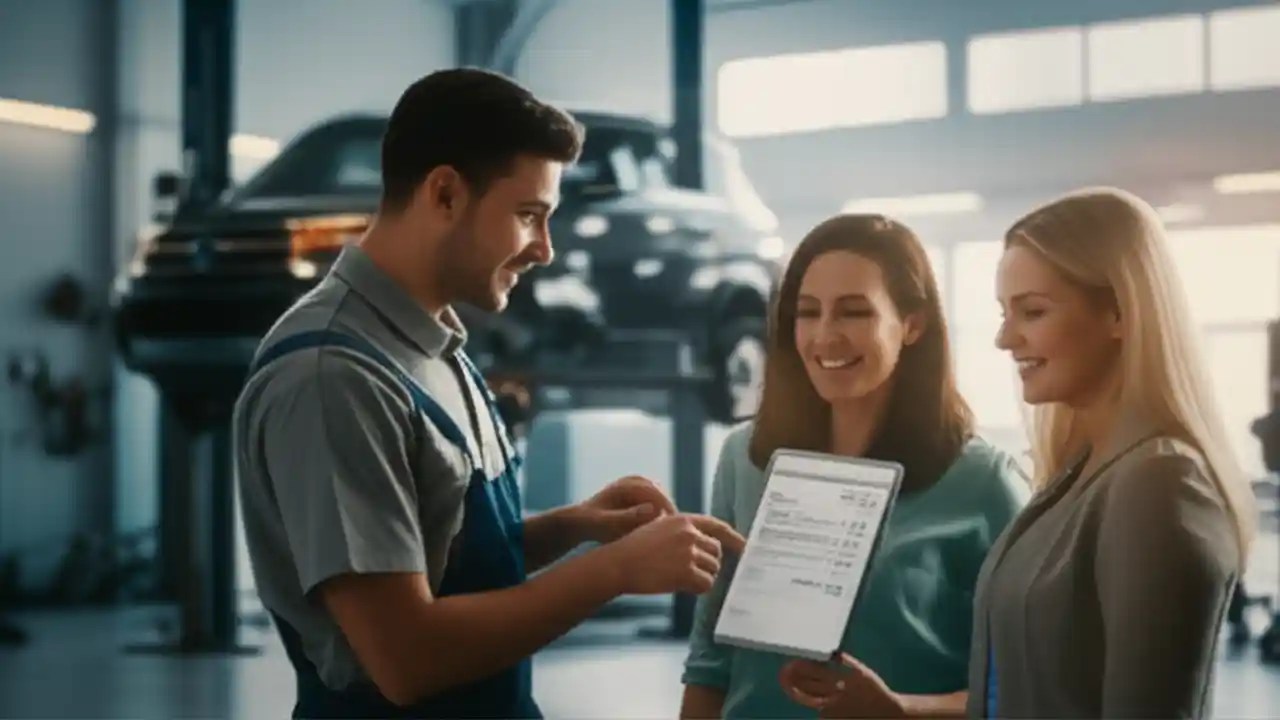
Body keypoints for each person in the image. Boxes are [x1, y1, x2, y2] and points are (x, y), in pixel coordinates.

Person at [232, 68, 744, 720]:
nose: (546, 250)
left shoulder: (434, 341)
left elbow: (427, 552)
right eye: (529, 216)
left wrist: (576, 528)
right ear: (444, 193)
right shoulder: (335, 378)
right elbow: (405, 657)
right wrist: (614, 573)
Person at [781, 188, 1257, 718]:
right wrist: (901, 710)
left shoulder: (1158, 483)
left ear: (1121, 312)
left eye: (1032, 311)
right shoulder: (1078, 473)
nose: (1006, 339)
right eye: (1005, 312)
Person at [680, 214, 1031, 718]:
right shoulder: (744, 457)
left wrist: (901, 710)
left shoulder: (985, 482)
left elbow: (1026, 688)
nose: (825, 336)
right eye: (807, 312)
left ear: (913, 323)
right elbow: (710, 660)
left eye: (853, 313)